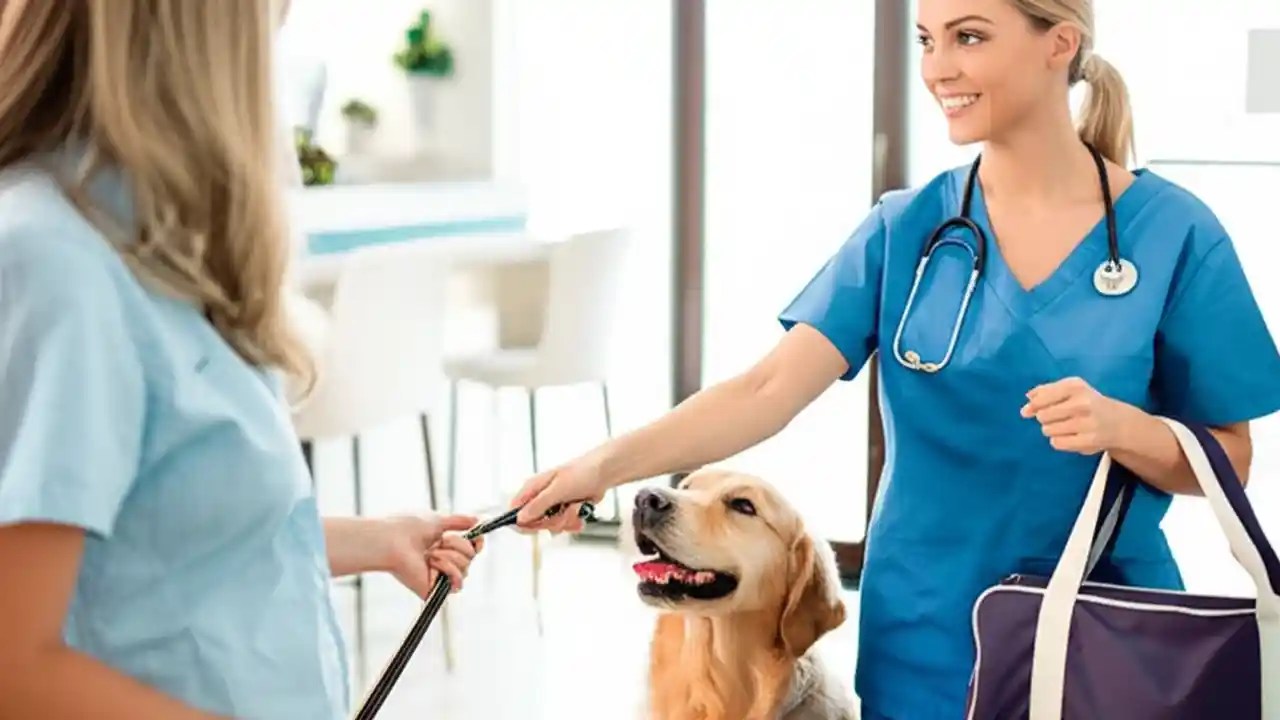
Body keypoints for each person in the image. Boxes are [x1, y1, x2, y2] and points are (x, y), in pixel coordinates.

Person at [510, 0, 1280, 717]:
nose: (938, 66)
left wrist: (1126, 429)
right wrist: (598, 469)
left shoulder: (1174, 233)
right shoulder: (906, 229)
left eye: (968, 36)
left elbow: (1229, 461)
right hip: (926, 632)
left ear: (1061, 43)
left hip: (1105, 630)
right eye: (926, 39)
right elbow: (765, 389)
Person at [0, 2, 480, 718]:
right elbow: (16, 666)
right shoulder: (55, 262)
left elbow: (167, 541)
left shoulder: (164, 247)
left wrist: (375, 540)